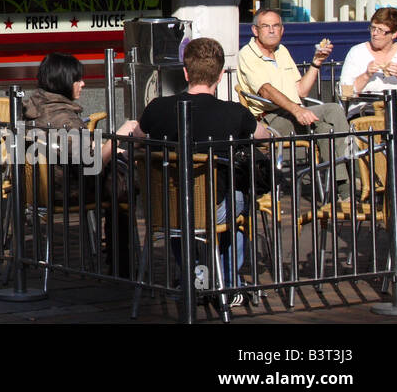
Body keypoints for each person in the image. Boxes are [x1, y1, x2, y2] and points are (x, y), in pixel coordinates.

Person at [127, 37, 273, 303]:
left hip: (165, 204)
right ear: (219, 74)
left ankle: (195, 277)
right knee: (240, 201)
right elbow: (264, 136)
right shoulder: (234, 113)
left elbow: (136, 136)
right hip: (213, 205)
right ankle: (228, 284)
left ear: (185, 72)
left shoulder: (157, 108)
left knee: (178, 213)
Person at [24, 52, 131, 276]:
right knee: (124, 185)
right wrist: (118, 139)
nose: (83, 83)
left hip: (39, 187)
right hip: (66, 189)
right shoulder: (64, 119)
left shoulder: (31, 107)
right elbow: (92, 166)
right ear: (64, 81)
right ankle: (122, 265)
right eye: (78, 79)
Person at [236, 8, 352, 201]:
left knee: (330, 116)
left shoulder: (282, 51)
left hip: (291, 111)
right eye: (266, 26)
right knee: (327, 120)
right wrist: (297, 110)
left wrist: (316, 63)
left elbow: (301, 91)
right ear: (255, 30)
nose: (272, 30)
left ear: (282, 30)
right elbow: (266, 90)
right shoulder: (247, 54)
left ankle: (344, 184)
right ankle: (349, 179)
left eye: (276, 26)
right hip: (270, 119)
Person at [340, 6, 397, 100]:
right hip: (364, 110)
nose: (374, 33)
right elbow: (345, 94)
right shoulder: (357, 52)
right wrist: (366, 75)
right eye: (373, 28)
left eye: (380, 30)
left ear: (394, 34)